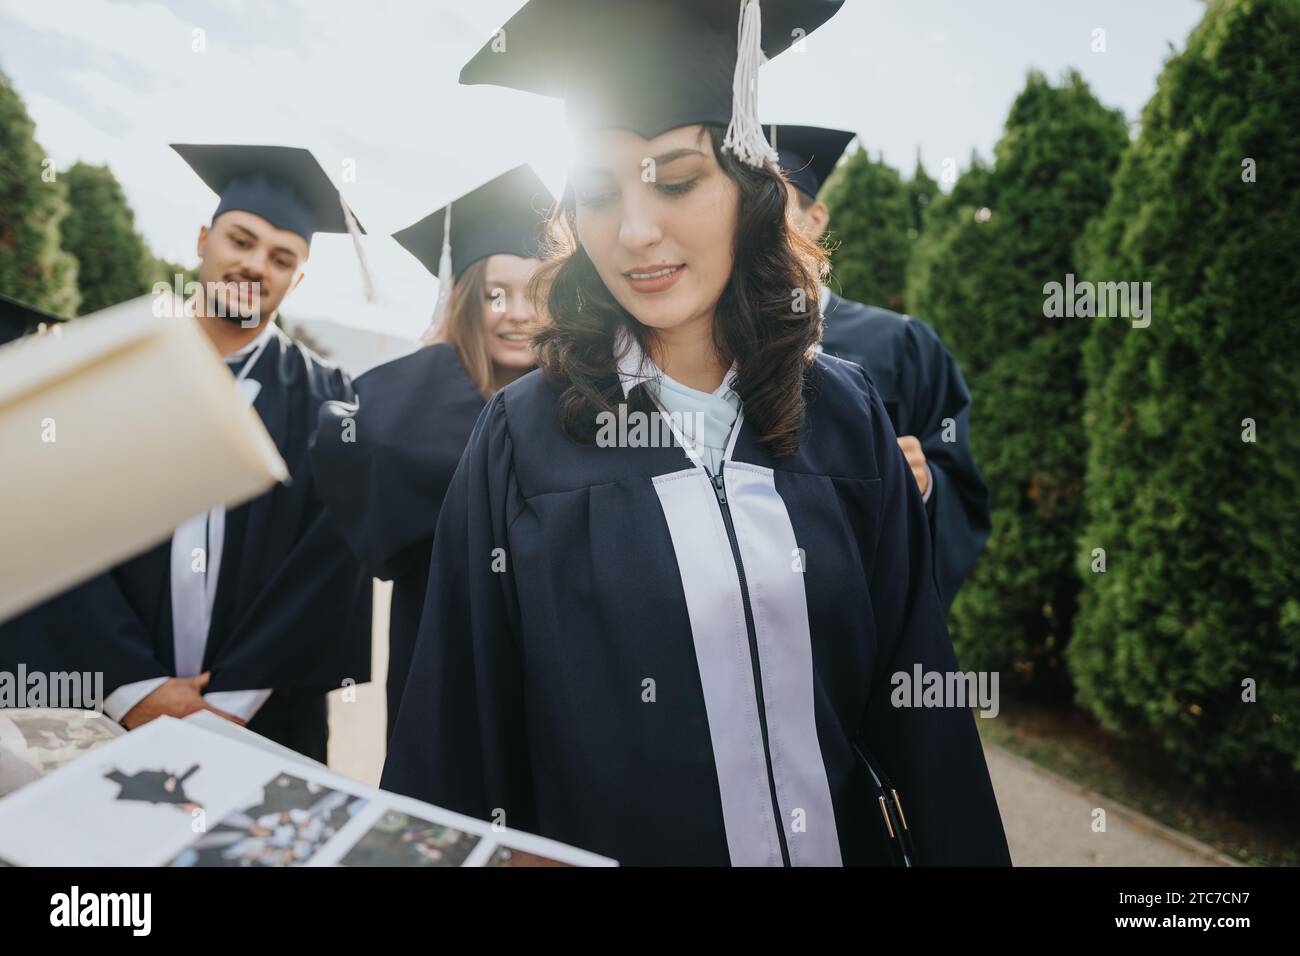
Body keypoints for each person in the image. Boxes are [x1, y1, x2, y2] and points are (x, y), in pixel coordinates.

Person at [382, 0, 1010, 866]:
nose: (636, 231)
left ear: (748, 190)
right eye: (599, 193)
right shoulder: (523, 443)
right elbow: (450, 747)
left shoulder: (845, 414)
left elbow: (923, 720)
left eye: (676, 179)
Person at [0, 145, 373, 762]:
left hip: (257, 714)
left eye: (282, 258)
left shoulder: (330, 399)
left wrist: (227, 708)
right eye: (241, 241)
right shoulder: (106, 367)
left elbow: (330, 560)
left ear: (298, 278)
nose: (256, 266)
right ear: (203, 239)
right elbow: (45, 521)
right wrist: (134, 688)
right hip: (93, 699)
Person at [311, 164, 552, 741]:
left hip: (556, 666)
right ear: (464, 301)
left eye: (537, 292)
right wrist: (434, 374)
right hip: (441, 656)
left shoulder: (580, 403)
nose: (518, 312)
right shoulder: (416, 401)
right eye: (496, 294)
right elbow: (369, 485)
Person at [772, 123, 990, 610]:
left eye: (777, 207)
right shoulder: (707, 351)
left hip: (865, 618)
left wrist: (924, 485)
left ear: (816, 217)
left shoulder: (900, 343)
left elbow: (962, 485)